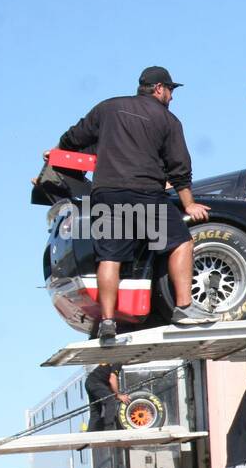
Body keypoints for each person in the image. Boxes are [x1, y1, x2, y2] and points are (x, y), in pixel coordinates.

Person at [51, 66, 216, 341]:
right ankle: (185, 308)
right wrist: (189, 204)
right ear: (159, 88)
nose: (172, 97)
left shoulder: (107, 108)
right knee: (181, 242)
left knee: (109, 258)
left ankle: (107, 322)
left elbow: (73, 138)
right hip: (145, 194)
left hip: (105, 194)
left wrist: (56, 154)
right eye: (171, 90)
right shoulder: (167, 120)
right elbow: (179, 168)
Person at [86, 362, 129, 432]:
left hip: (89, 381)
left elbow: (108, 384)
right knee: (110, 401)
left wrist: (115, 394)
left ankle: (90, 433)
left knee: (96, 412)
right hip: (96, 383)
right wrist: (118, 395)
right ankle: (109, 429)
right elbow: (112, 379)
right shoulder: (118, 362)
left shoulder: (110, 360)